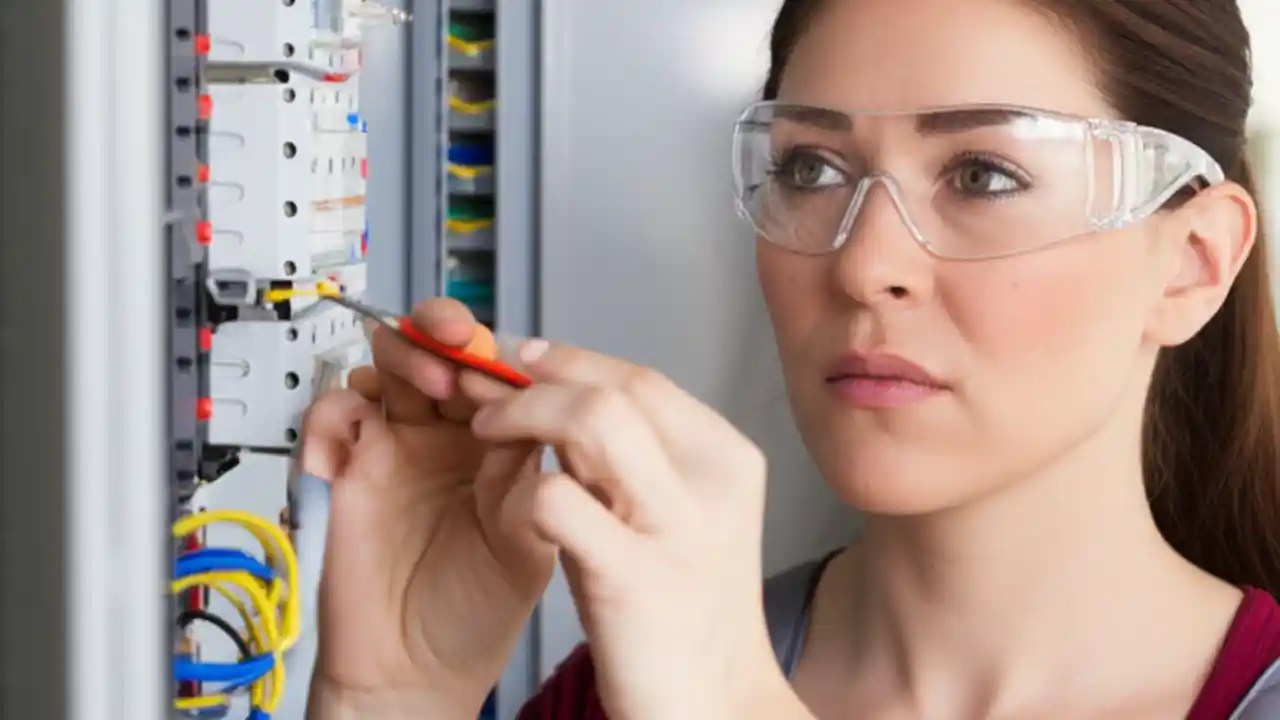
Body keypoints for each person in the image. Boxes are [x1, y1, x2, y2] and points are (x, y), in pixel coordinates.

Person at [301, 0, 1280, 717]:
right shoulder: (631, 686)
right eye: (810, 169)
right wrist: (397, 697)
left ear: (1190, 266)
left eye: (983, 174)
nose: (862, 265)